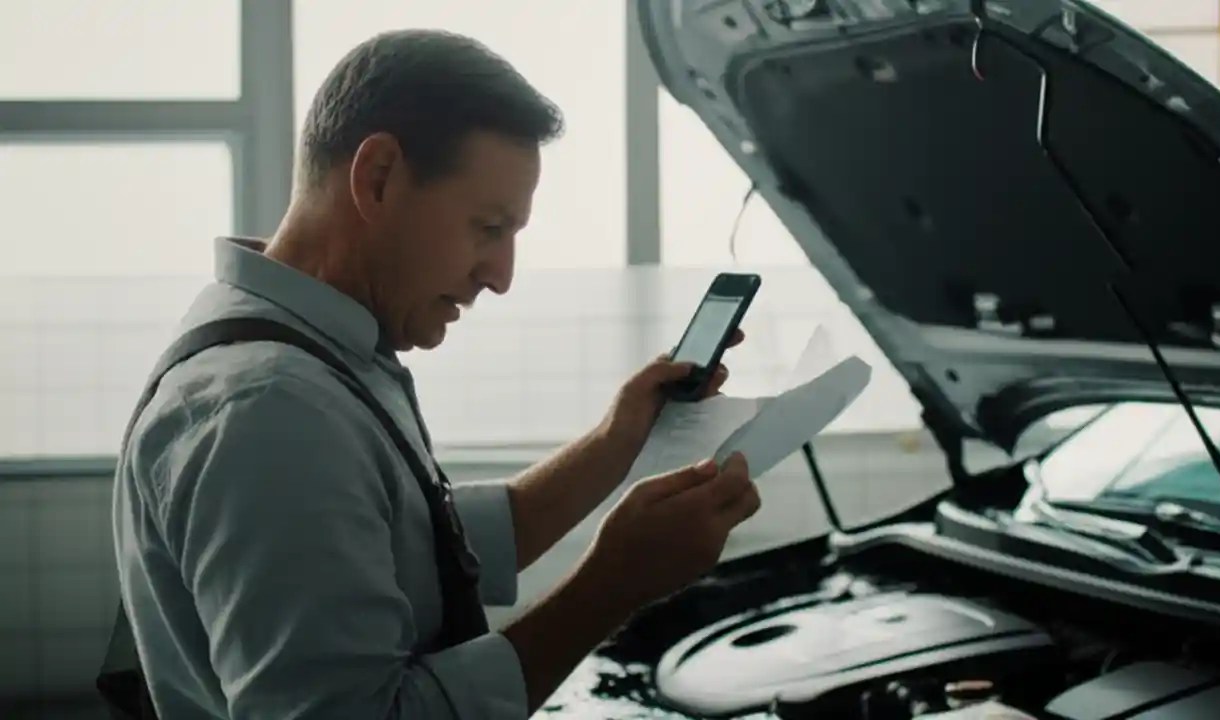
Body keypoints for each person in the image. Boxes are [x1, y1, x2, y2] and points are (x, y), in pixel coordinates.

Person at [111, 28, 762, 720]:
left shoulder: (304, 349)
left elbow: (429, 548)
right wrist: (611, 584)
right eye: (488, 228)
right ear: (379, 177)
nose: (501, 276)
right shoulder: (271, 409)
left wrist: (617, 438)